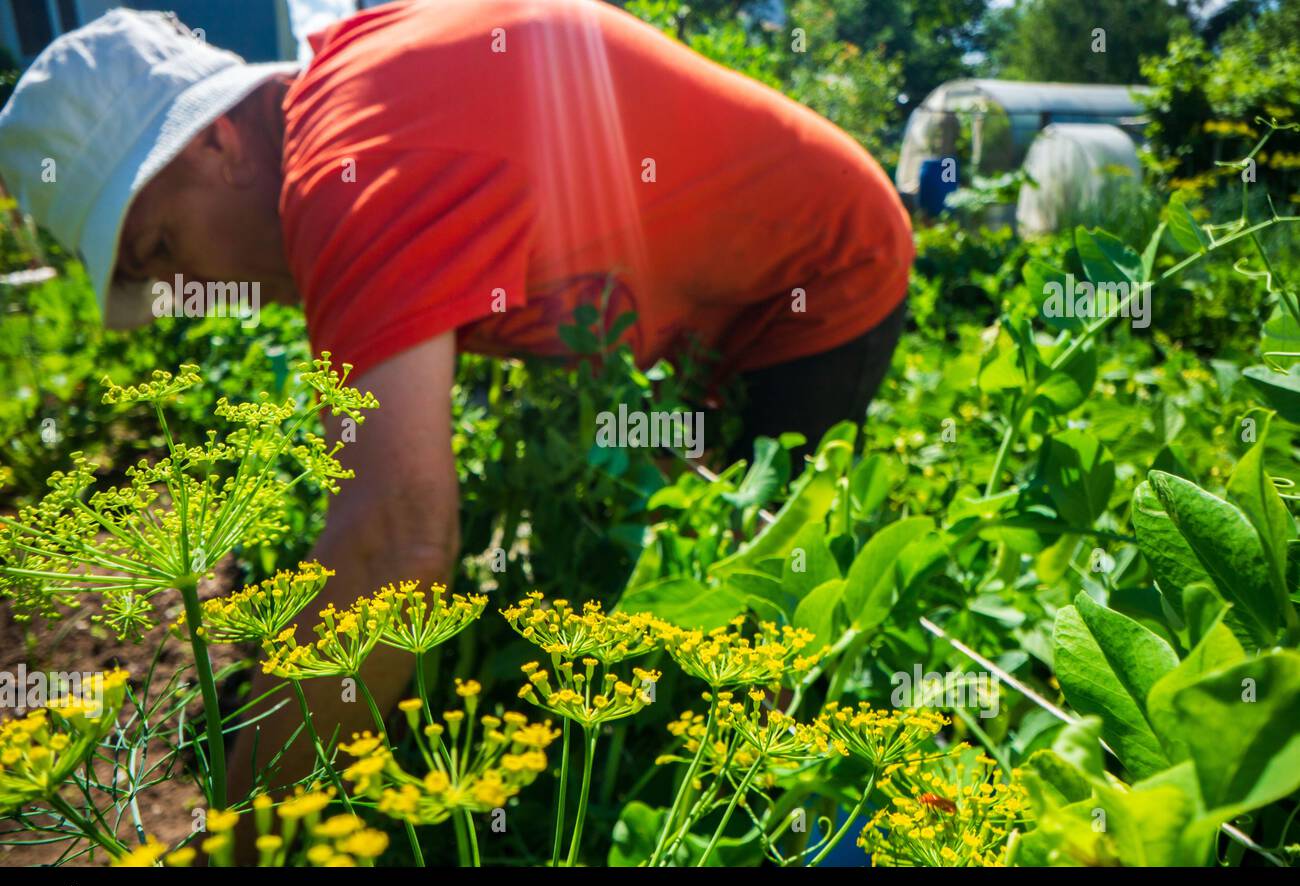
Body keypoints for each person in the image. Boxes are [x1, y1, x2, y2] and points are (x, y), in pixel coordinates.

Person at [0, 0, 912, 804]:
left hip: (814, 278)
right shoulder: (348, 95)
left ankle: (787, 794)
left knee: (765, 618)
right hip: (704, 301)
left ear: (214, 140)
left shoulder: (347, 169)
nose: (180, 286)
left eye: (159, 247)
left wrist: (246, 830)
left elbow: (395, 538)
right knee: (684, 566)